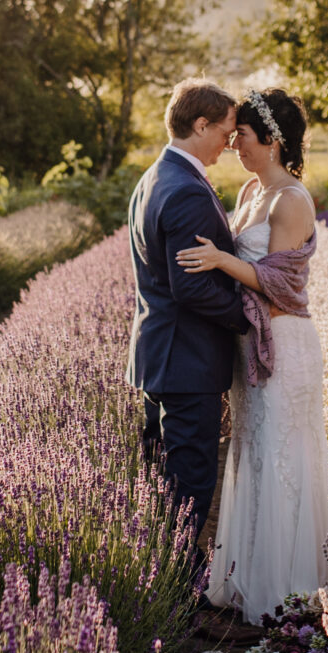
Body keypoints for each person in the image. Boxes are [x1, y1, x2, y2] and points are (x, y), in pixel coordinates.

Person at [174, 86, 328, 625]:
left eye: (241, 136)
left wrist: (221, 260)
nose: (233, 145)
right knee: (251, 450)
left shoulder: (293, 200)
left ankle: (286, 590)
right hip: (252, 345)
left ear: (270, 140)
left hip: (285, 346)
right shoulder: (250, 190)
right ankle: (246, 578)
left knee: (282, 455)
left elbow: (278, 284)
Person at [126, 79, 250, 597]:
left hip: (162, 357)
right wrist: (249, 317)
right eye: (224, 130)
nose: (230, 141)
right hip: (186, 361)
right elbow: (193, 288)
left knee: (166, 484)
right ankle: (183, 602)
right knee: (190, 485)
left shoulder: (156, 176)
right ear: (200, 125)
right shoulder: (185, 190)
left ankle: (168, 586)